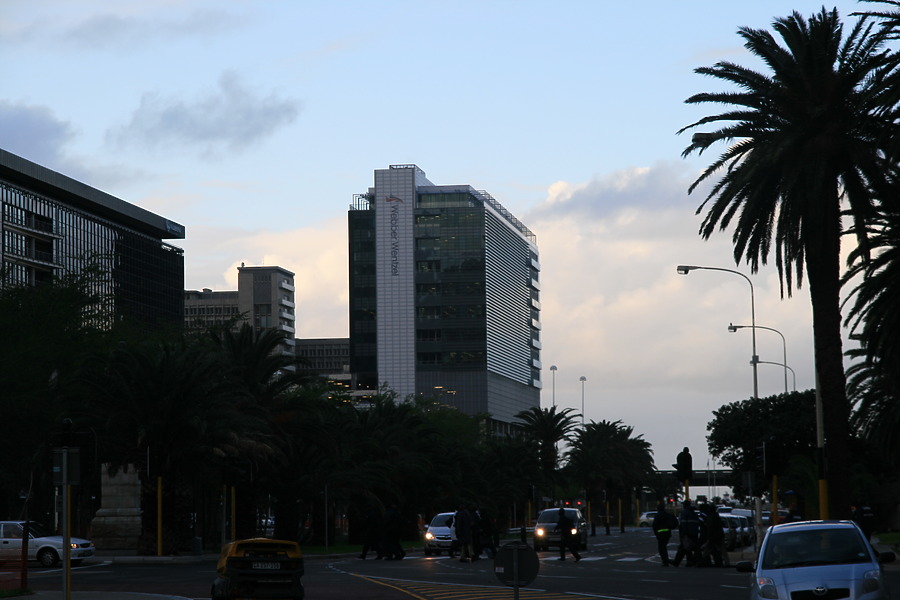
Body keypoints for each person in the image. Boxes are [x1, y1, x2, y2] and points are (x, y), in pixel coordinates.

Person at [672, 500, 701, 567]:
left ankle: (677, 562)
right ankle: (690, 561)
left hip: (687, 534)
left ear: (684, 505)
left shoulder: (684, 513)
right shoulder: (693, 513)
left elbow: (683, 524)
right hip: (694, 533)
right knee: (690, 548)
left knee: (684, 548)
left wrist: (683, 534)